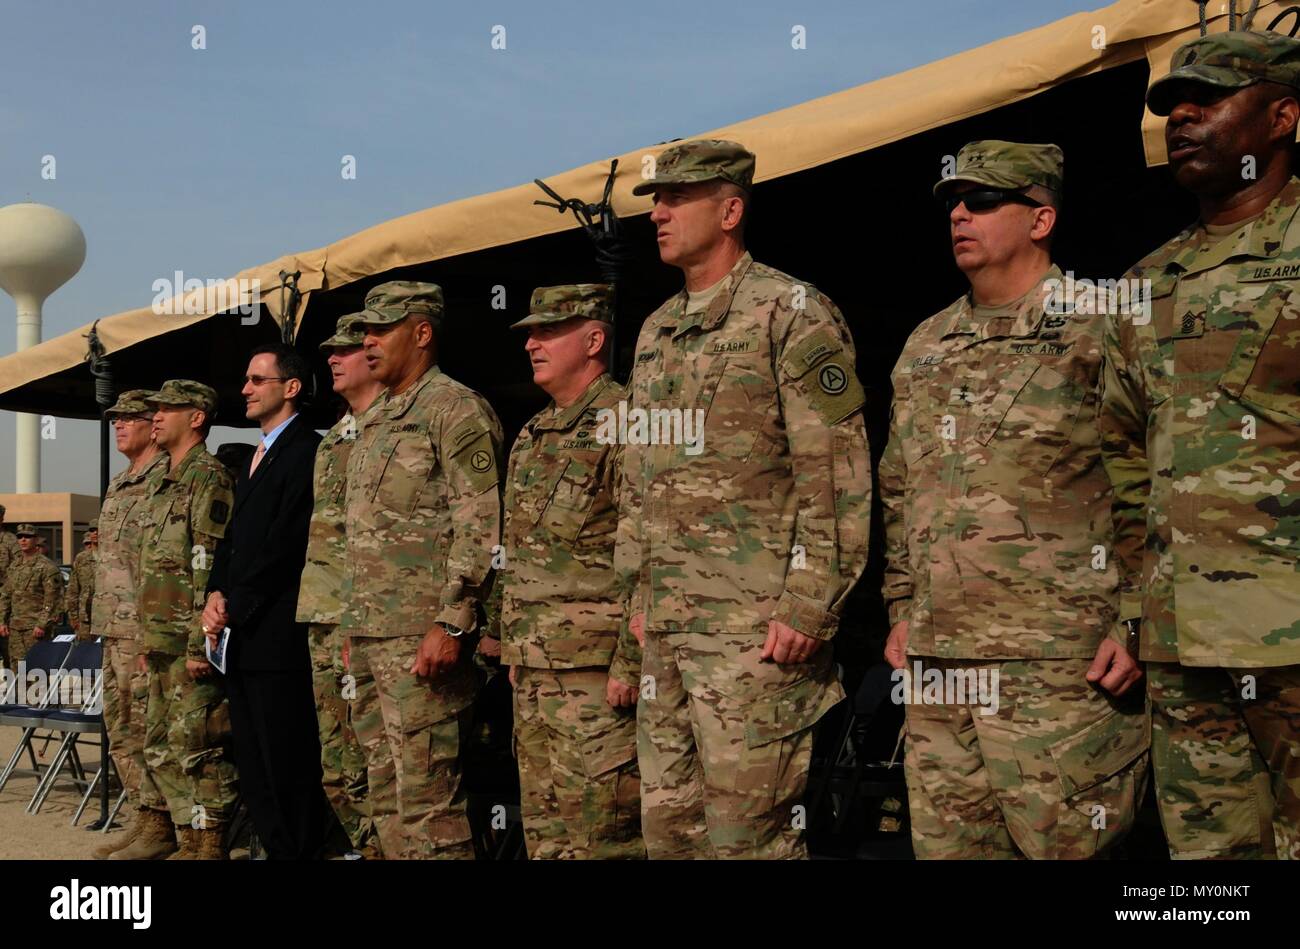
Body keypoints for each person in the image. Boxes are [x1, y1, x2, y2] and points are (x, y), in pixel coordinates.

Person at [880, 140, 1148, 859]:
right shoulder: (926, 343)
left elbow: (1155, 479)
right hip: (939, 669)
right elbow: (900, 487)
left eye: (985, 200)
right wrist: (903, 606)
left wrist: (1138, 616)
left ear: (1041, 219)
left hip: (1059, 666)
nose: (961, 214)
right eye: (953, 204)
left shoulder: (1106, 325)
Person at [616, 139, 872, 858]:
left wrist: (810, 604)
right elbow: (639, 475)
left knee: (748, 842)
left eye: (676, 199)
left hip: (753, 636)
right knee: (668, 835)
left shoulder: (792, 312)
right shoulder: (655, 330)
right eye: (655, 201)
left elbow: (837, 470)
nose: (658, 213)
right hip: (668, 632)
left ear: (730, 209)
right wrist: (638, 592)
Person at [1101, 29, 1300, 860]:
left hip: (1289, 634)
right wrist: (1132, 609)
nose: (1182, 118)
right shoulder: (1145, 283)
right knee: (1209, 869)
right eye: (1171, 108)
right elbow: (1121, 459)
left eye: (1210, 101)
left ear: (1283, 117)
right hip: (1181, 642)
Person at [342, 281, 504, 859]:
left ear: (422, 332)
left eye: (381, 329)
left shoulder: (454, 408)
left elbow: (481, 522)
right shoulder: (376, 419)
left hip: (419, 638)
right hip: (368, 634)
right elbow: (362, 534)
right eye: (364, 331)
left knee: (429, 799)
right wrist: (351, 626)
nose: (368, 342)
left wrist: (454, 621)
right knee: (381, 791)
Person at [497, 284, 644, 859]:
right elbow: (518, 554)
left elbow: (645, 548)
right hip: (534, 672)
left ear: (594, 339)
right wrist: (514, 647)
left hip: (595, 675)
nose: (532, 343)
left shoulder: (627, 421)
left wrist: (631, 662)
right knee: (547, 837)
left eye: (548, 331)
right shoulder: (533, 435)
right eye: (530, 333)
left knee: (604, 838)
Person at [204, 343, 335, 859]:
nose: (246, 389)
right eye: (247, 379)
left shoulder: (307, 450)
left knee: (286, 762)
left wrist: (235, 602)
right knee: (254, 764)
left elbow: (286, 543)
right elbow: (232, 539)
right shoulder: (255, 454)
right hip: (241, 635)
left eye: (258, 380)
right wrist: (214, 592)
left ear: (291, 388)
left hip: (276, 635)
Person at [113, 380, 237, 861]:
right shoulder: (163, 480)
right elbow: (151, 566)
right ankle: (183, 837)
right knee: (162, 743)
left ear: (198, 417)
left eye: (169, 409)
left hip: (189, 636)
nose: (157, 416)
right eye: (156, 409)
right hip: (159, 636)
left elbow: (209, 565)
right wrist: (147, 637)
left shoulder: (208, 477)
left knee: (199, 744)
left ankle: (209, 845)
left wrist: (198, 643)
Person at [296, 313, 382, 857]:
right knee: (337, 765)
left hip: (376, 620)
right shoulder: (333, 442)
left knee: (381, 765)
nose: (332, 359)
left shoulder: (398, 427)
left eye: (345, 351)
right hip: (325, 617)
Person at [89, 390, 171, 860]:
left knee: (148, 729)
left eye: (129, 419)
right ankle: (144, 818)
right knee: (120, 728)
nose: (118, 426)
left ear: (153, 425)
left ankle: (162, 825)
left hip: (144, 629)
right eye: (115, 419)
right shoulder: (120, 483)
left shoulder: (165, 479)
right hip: (112, 627)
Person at [0, 524, 63, 666]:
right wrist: (2, 621)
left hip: (35, 629)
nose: (23, 540)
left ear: (36, 540)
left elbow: (52, 599)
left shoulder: (47, 567)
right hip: (15, 628)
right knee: (17, 669)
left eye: (27, 537)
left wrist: (42, 624)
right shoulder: (15, 566)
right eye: (20, 537)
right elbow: (5, 595)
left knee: (37, 670)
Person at [65, 520, 98, 638]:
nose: (95, 533)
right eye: (92, 530)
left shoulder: (112, 557)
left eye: (98, 530)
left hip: (107, 618)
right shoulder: (82, 558)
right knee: (84, 652)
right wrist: (73, 616)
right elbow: (73, 590)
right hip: (85, 619)